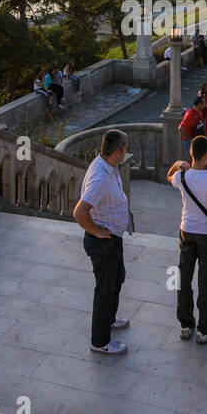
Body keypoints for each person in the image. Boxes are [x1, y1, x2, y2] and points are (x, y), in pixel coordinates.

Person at [168, 135, 207, 344]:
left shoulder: (182, 176)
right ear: (206, 157)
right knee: (206, 282)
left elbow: (168, 177)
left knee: (184, 278)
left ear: (191, 154)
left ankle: (186, 325)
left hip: (185, 232)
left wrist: (177, 165)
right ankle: (206, 330)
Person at [73, 129, 132, 356]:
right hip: (103, 243)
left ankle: (110, 319)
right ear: (117, 152)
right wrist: (96, 231)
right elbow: (79, 212)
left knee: (118, 278)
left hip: (113, 239)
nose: (126, 152)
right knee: (105, 290)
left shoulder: (109, 166)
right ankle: (100, 342)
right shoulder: (100, 177)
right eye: (125, 149)